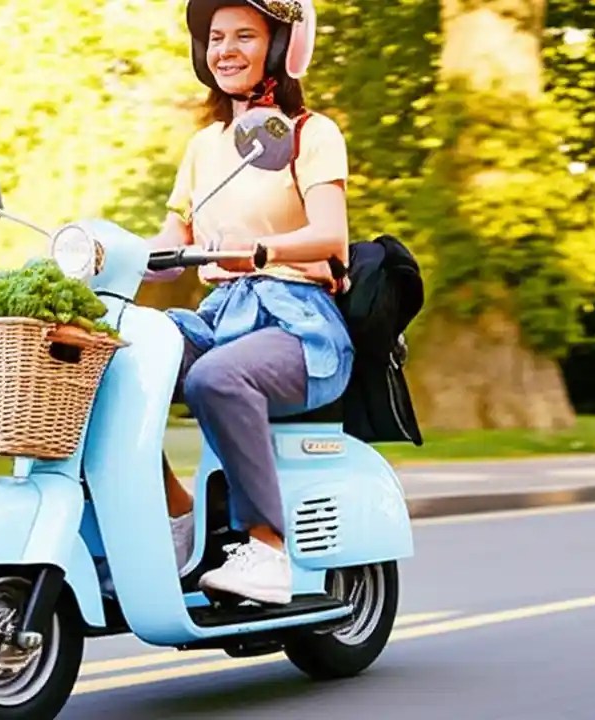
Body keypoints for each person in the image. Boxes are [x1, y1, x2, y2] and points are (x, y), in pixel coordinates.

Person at [145, 0, 354, 606]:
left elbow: (331, 237)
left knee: (217, 378)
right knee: (106, 359)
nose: (226, 49)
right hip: (223, 317)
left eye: (244, 35)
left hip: (301, 326)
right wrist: (103, 253)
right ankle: (176, 516)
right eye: (215, 37)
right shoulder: (204, 145)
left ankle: (268, 549)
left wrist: (258, 250)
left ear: (282, 45)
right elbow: (172, 239)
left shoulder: (312, 133)